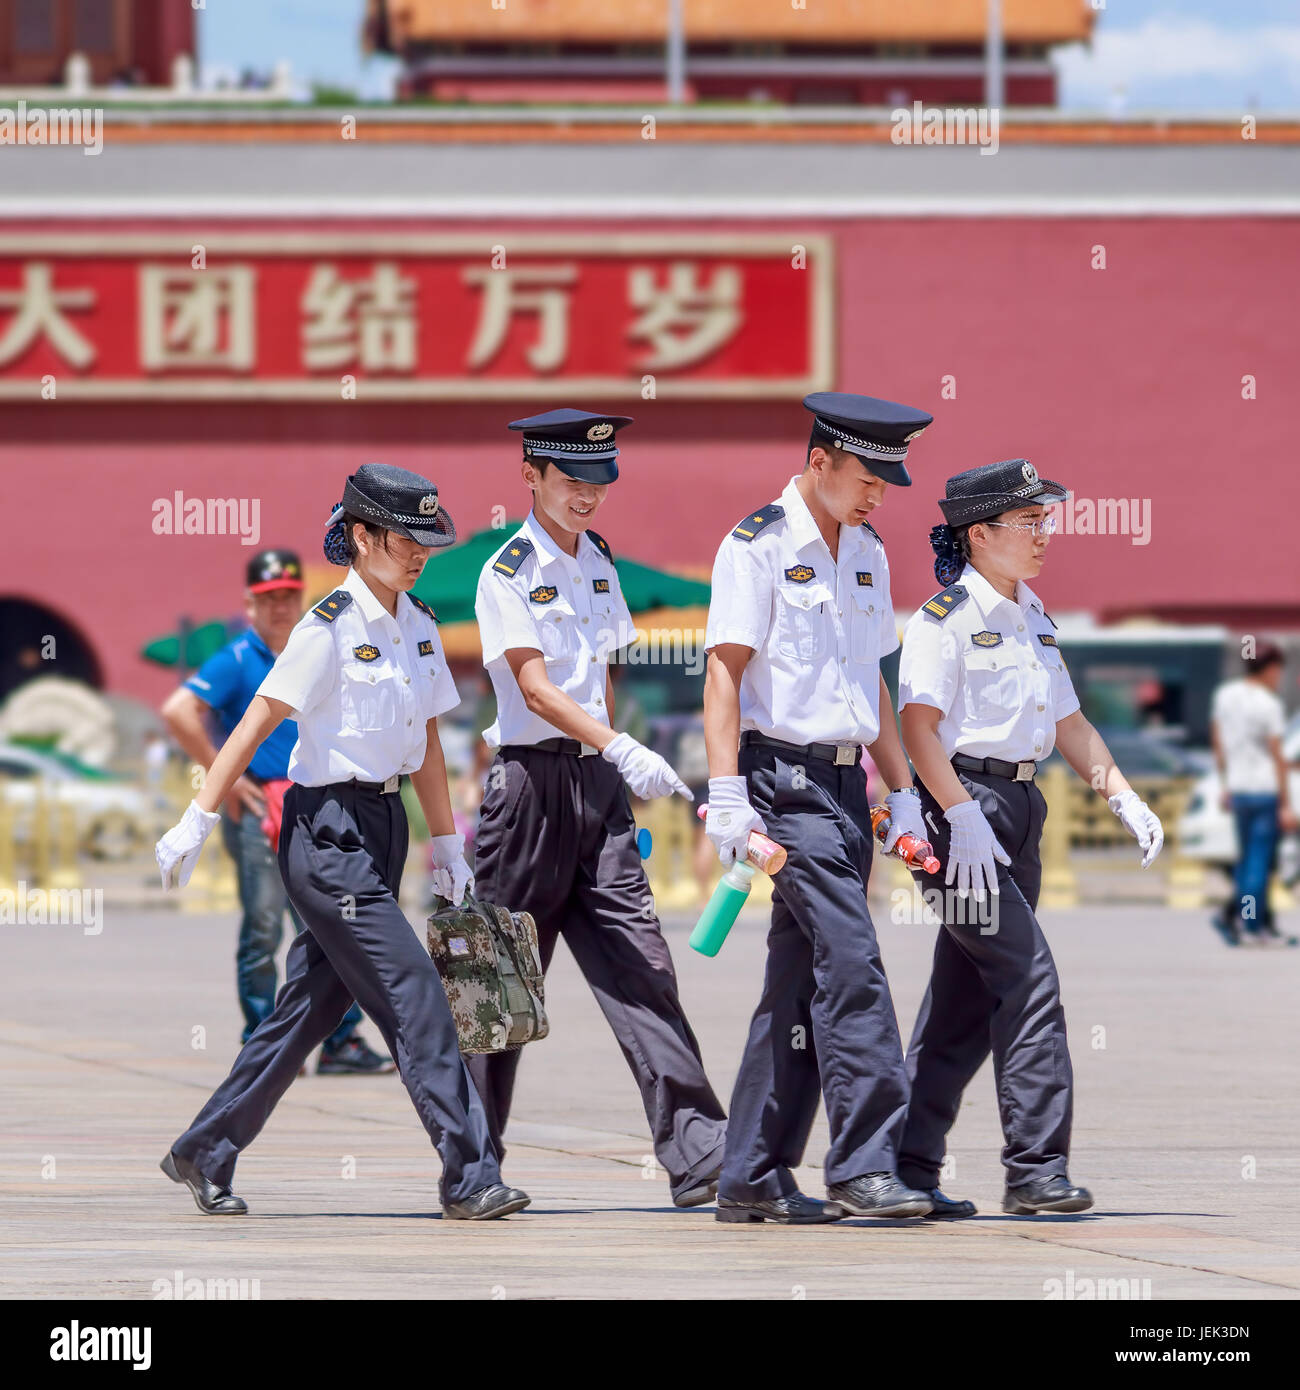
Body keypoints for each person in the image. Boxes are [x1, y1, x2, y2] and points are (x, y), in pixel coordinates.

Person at [153, 465, 528, 1222]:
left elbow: (424, 741)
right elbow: (256, 721)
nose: (421, 554)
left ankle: (205, 1148)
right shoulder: (325, 628)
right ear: (361, 537)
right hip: (326, 836)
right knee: (417, 991)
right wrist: (196, 818)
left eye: (428, 541)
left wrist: (449, 845)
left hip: (382, 831)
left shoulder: (420, 624)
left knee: (309, 1011)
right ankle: (469, 1173)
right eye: (404, 540)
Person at [468, 408, 727, 1209]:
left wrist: (614, 757)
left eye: (598, 484)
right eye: (572, 483)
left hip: (596, 789)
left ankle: (701, 1153)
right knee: (500, 980)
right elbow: (537, 687)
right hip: (529, 792)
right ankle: (471, 1161)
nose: (587, 498)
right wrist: (616, 745)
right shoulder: (506, 569)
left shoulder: (601, 561)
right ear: (532, 477)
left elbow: (601, 672)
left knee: (642, 962)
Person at [897, 458, 1164, 1217]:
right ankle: (1037, 1171)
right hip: (963, 813)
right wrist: (961, 814)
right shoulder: (943, 621)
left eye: (1045, 520)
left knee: (962, 1003)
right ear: (979, 535)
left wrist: (1123, 797)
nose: (1044, 534)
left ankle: (907, 1164)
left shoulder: (1034, 613)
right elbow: (918, 730)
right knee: (1029, 979)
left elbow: (1069, 724)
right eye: (1028, 522)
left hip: (1018, 809)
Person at [702, 390, 937, 1225]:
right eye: (866, 477)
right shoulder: (755, 546)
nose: (877, 495)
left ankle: (750, 1175)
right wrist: (726, 794)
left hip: (846, 788)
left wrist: (903, 792)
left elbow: (871, 681)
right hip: (783, 784)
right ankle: (864, 1165)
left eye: (886, 482)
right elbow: (726, 671)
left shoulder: (868, 549)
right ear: (819, 463)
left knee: (797, 983)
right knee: (854, 963)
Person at [160, 549, 391, 1074]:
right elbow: (178, 711)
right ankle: (261, 1039)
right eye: (269, 599)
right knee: (264, 923)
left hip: (318, 808)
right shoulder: (239, 658)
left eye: (289, 595)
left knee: (331, 924)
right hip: (259, 804)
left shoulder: (320, 645)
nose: (281, 607)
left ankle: (340, 1042)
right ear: (249, 604)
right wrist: (231, 777)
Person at [1210, 642, 1297, 945]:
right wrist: (1286, 804)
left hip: (1238, 789)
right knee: (1259, 865)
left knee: (1247, 861)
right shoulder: (1269, 704)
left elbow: (1218, 743)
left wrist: (1224, 784)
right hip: (1264, 791)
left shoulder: (1226, 696)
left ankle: (1241, 922)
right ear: (1270, 669)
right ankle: (1251, 927)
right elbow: (1278, 756)